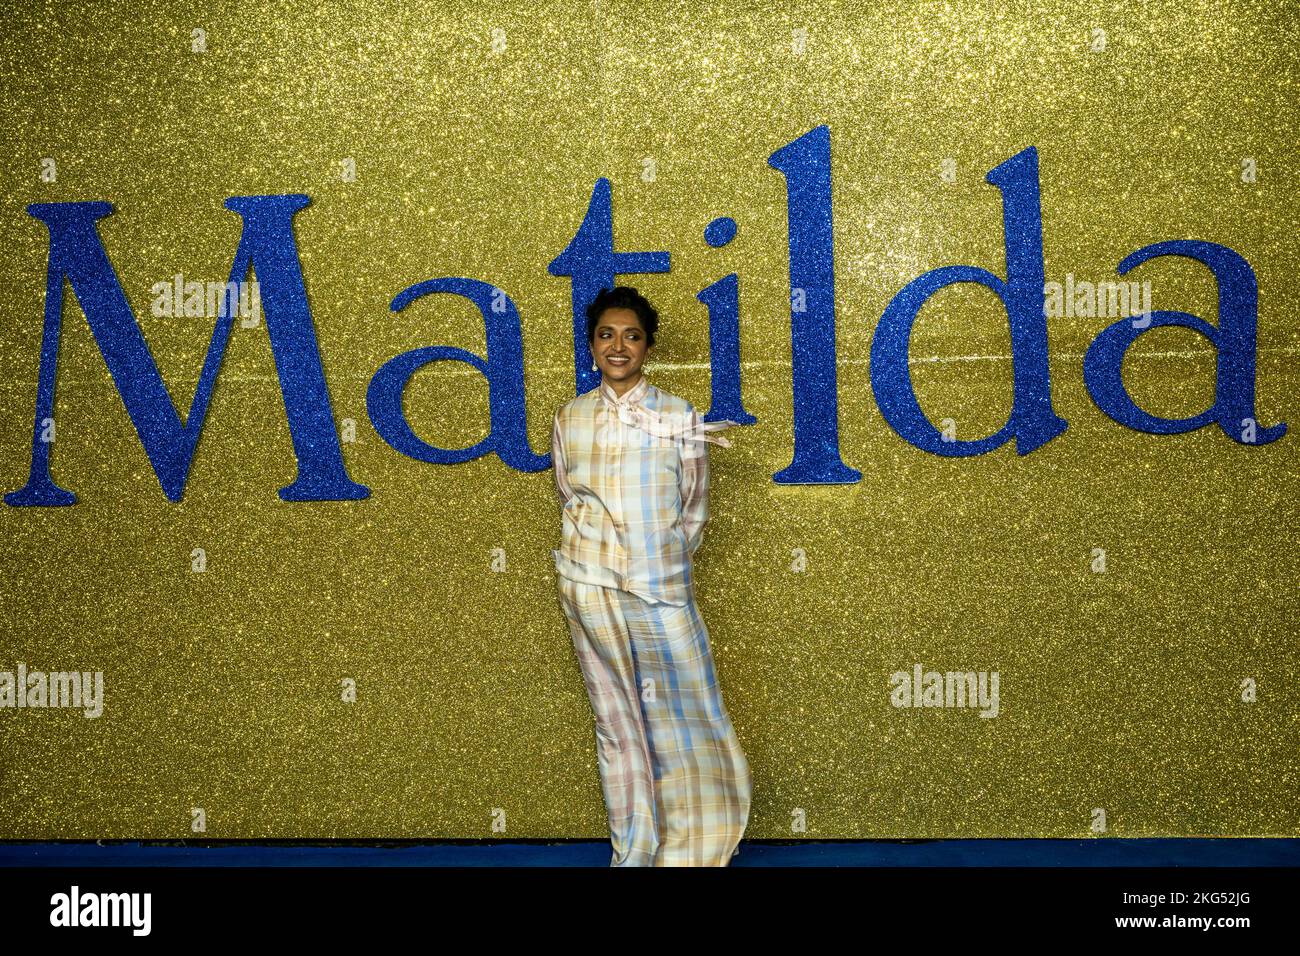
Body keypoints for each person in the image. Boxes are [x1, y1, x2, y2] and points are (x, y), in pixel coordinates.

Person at [550, 285, 752, 867]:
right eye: (607, 335)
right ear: (592, 346)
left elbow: (694, 506)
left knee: (688, 710)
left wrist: (657, 557)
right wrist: (602, 558)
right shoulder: (570, 417)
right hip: (588, 582)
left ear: (648, 347)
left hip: (660, 582)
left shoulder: (680, 415)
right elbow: (570, 494)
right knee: (615, 719)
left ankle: (694, 847)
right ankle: (633, 850)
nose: (619, 346)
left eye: (632, 336)